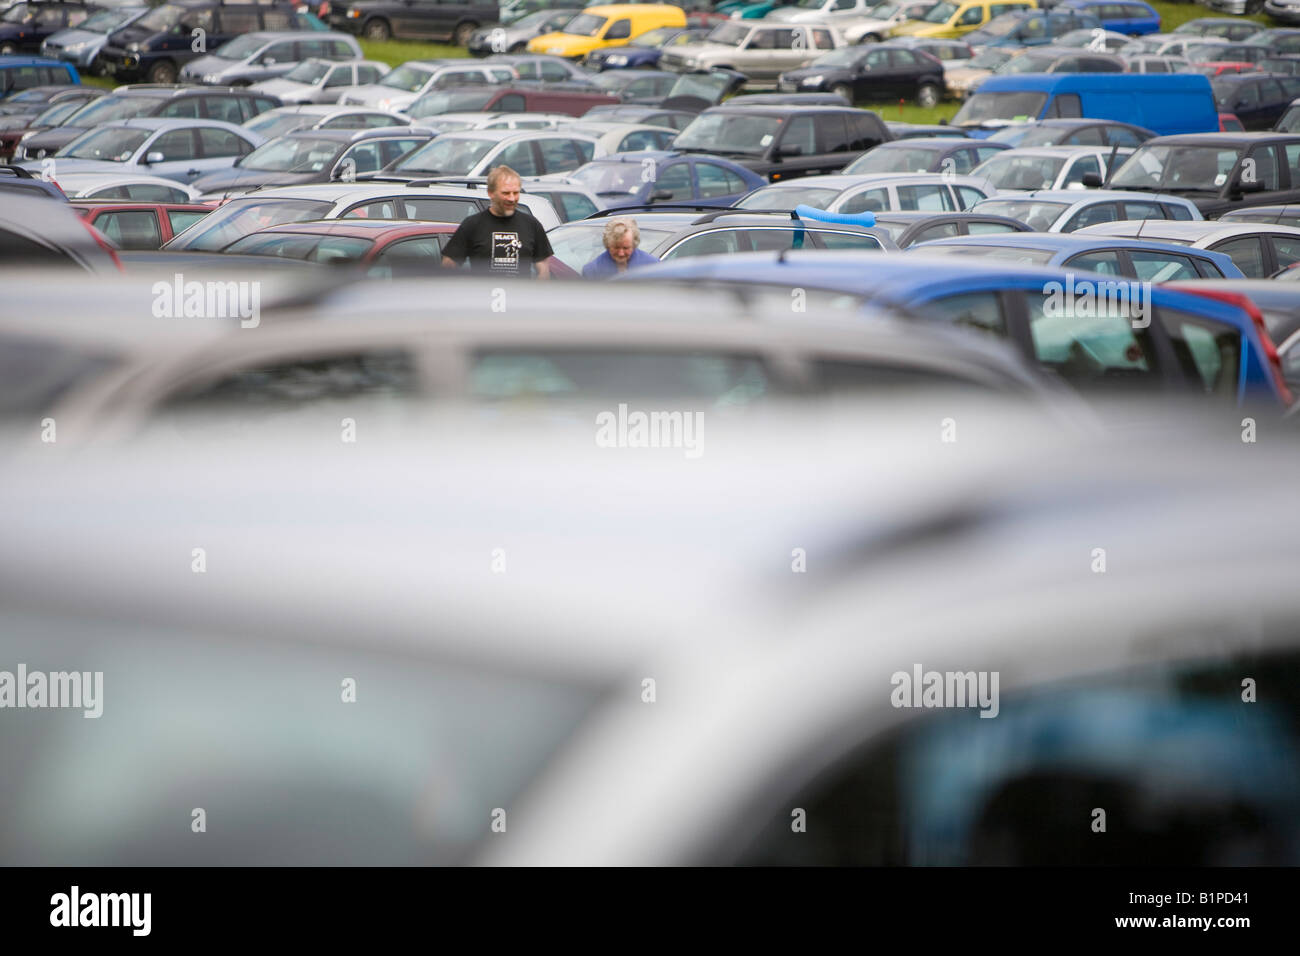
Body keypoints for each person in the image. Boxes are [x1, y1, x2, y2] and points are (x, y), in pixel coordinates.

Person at [441, 165, 553, 279]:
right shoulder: (472, 224)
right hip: (481, 295)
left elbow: (543, 269)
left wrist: (535, 294)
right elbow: (448, 264)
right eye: (506, 193)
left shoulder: (531, 224)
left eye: (515, 193)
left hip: (520, 296)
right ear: (490, 193)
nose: (512, 199)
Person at [582, 217, 660, 278]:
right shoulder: (592, 270)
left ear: (634, 244)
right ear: (608, 245)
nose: (621, 253)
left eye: (626, 248)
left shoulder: (652, 267)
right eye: (616, 247)